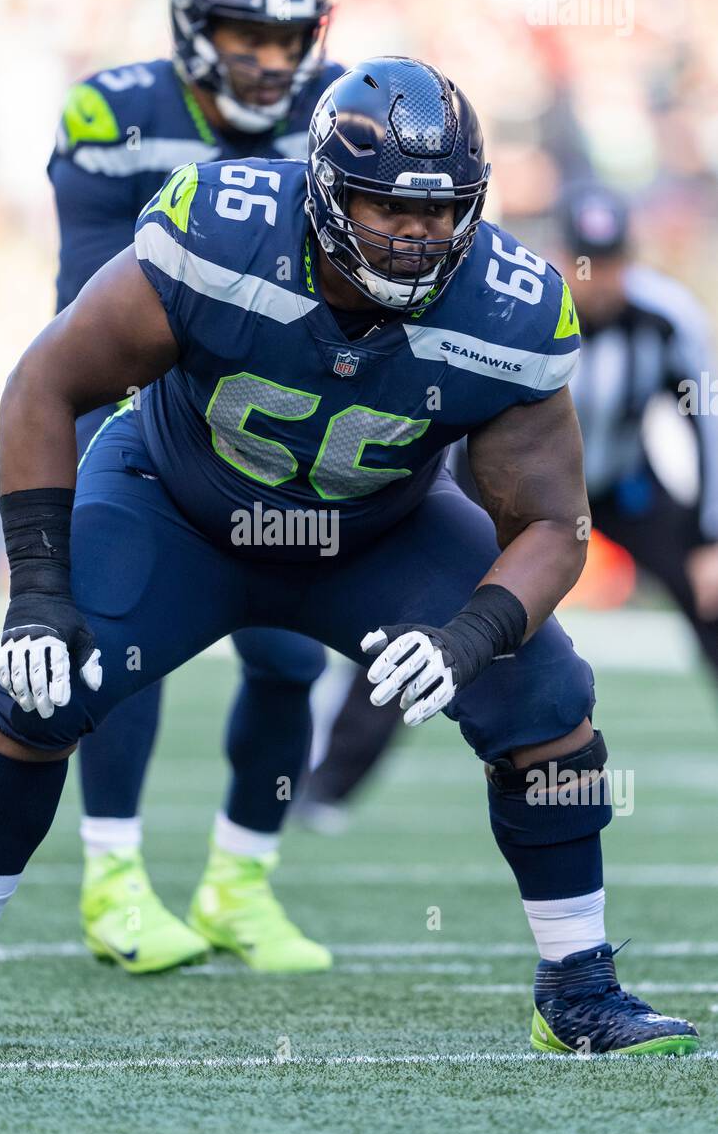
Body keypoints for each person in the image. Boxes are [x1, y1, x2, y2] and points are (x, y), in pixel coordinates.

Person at [0, 58, 698, 1056]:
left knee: (547, 700)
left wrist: (470, 635)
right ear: (324, 190)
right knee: (38, 687)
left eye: (441, 211)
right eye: (389, 205)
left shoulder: (505, 307)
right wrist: (37, 590)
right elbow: (42, 384)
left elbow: (553, 524)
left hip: (369, 534)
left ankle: (579, 989)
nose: (419, 233)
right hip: (175, 505)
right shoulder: (220, 233)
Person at [49, 0, 344, 973]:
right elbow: (87, 310)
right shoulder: (114, 112)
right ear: (190, 26)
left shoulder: (342, 115)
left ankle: (238, 880)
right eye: (244, 37)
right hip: (147, 412)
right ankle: (112, 878)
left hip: (281, 429)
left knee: (286, 656)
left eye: (286, 39)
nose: (270, 63)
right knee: (119, 647)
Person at [296, 182, 718, 834]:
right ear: (563, 254)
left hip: (620, 483)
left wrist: (711, 538)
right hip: (512, 489)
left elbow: (708, 422)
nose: (598, 279)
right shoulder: (523, 308)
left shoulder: (664, 317)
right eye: (587, 261)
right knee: (421, 606)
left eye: (610, 263)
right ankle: (329, 781)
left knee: (713, 595)